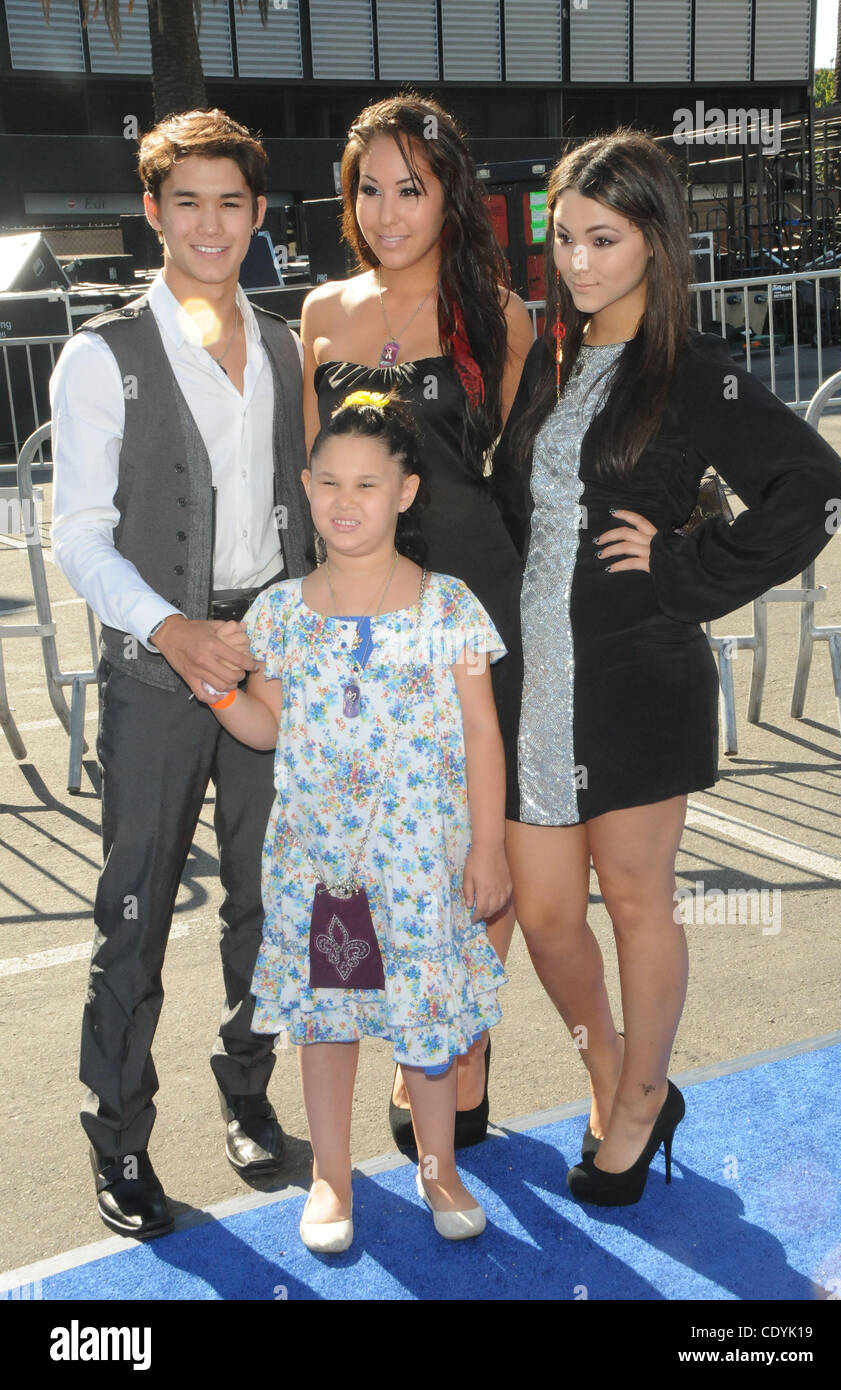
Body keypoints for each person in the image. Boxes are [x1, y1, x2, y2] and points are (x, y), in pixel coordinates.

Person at [491, 129, 841, 1207]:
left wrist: (685, 562)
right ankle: (610, 1071)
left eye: (603, 238)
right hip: (536, 692)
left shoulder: (692, 374)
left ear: (655, 242)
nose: (578, 261)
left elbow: (815, 488)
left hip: (635, 684)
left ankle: (637, 1103)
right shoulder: (553, 357)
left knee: (636, 904)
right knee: (547, 917)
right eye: (563, 239)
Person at [50, 109, 311, 1239]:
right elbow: (78, 533)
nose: (212, 225)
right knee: (136, 911)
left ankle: (247, 1091)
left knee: (268, 905)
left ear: (258, 217)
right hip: (161, 669)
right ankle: (119, 1136)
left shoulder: (290, 342)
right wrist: (168, 629)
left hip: (271, 660)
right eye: (188, 202)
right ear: (154, 213)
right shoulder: (100, 353)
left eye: (232, 203)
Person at [205, 391, 510, 1251]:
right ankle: (332, 1182)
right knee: (329, 1020)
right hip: (323, 868)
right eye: (330, 482)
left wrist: (488, 844)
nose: (346, 500)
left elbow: (484, 733)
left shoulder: (447, 606)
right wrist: (219, 689)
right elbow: (266, 726)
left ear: (405, 492)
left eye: (368, 484)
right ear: (305, 487)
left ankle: (438, 1169)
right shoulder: (279, 613)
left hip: (421, 867)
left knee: (426, 1021)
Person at [301, 92, 534, 1151]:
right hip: (366, 624)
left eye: (412, 187)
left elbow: (527, 484)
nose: (389, 211)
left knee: (483, 848)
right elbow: (322, 491)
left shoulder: (494, 310)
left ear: (449, 193)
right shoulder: (322, 314)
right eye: (369, 188)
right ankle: (416, 1038)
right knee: (383, 849)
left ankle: (464, 1044)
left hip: (474, 606)